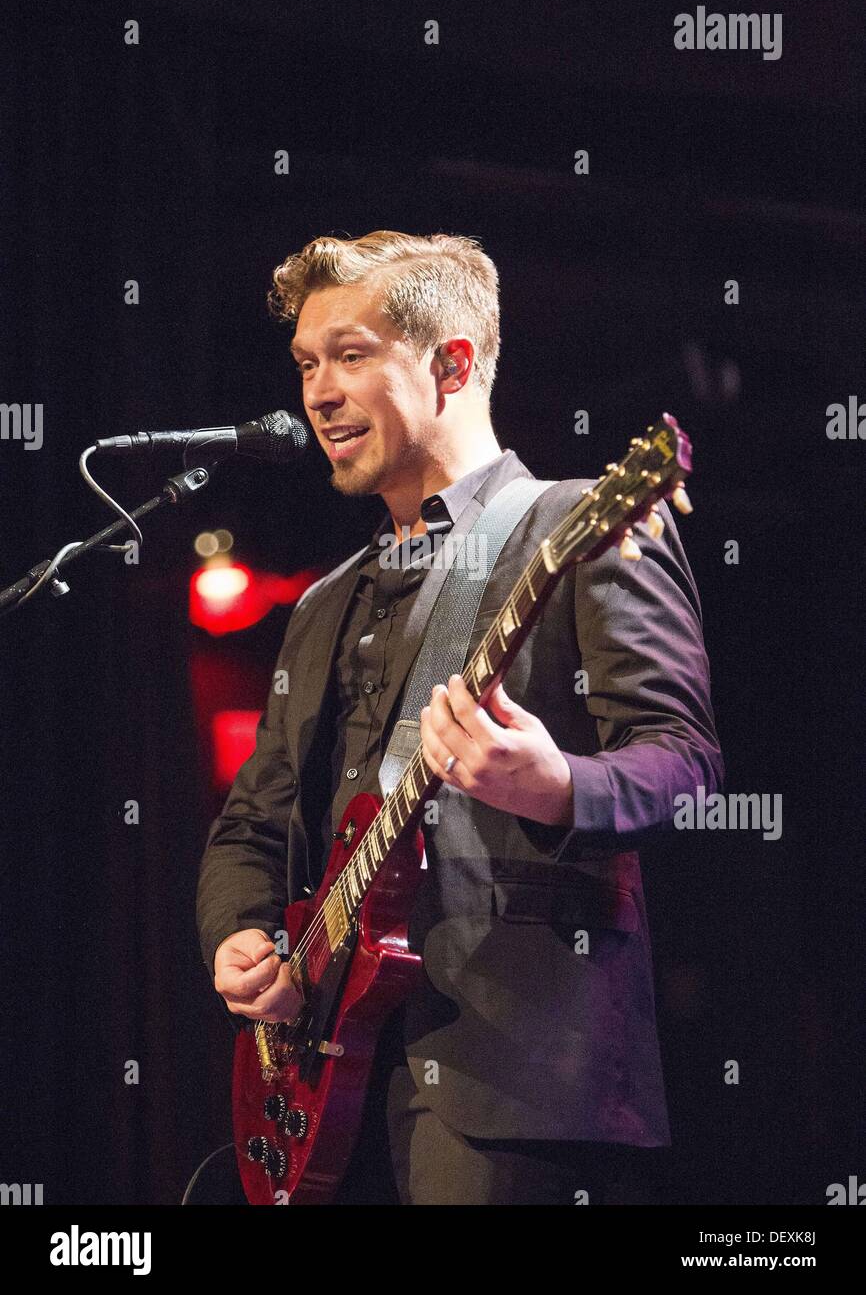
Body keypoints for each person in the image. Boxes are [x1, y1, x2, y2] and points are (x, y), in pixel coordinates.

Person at [196, 229, 724, 1205]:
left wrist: (556, 783)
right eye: (307, 363)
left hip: (512, 1085)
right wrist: (240, 933)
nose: (317, 393)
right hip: (320, 1083)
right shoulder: (320, 603)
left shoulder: (581, 523)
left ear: (452, 362)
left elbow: (684, 768)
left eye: (350, 355)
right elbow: (253, 822)